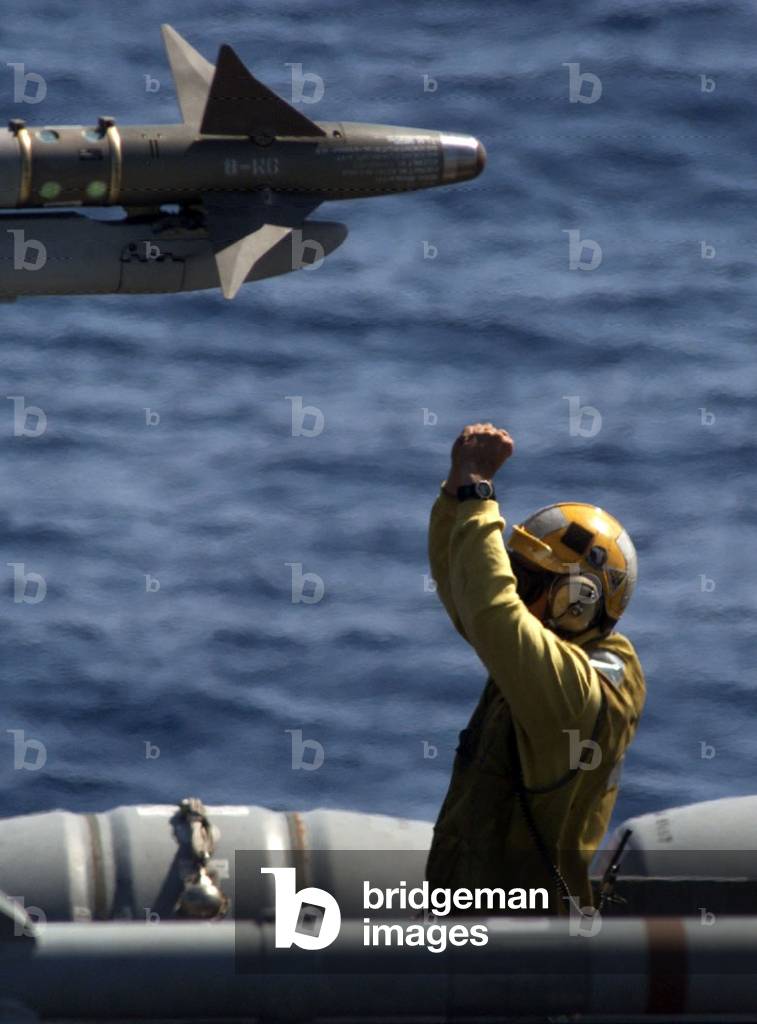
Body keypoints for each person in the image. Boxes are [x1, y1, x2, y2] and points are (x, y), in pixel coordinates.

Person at [424, 423, 646, 914]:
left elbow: (492, 610)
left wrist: (480, 494)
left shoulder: (575, 692)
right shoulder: (549, 655)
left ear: (577, 602)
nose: (514, 589)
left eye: (526, 580)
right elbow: (471, 595)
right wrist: (457, 496)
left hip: (517, 953)